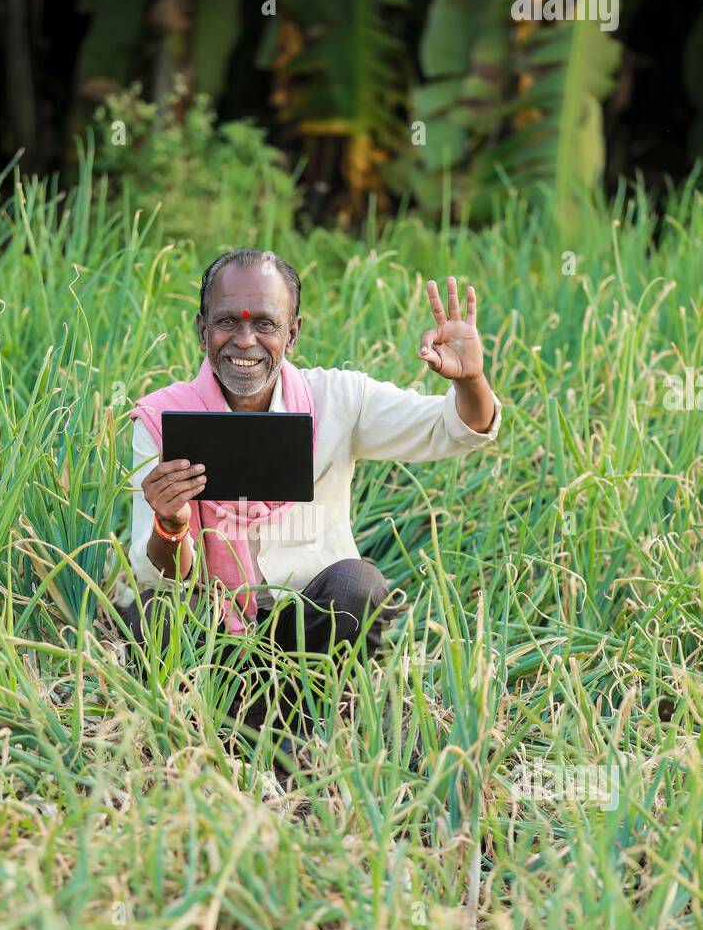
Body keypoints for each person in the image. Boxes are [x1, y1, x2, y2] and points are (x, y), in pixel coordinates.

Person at [122, 248, 501, 748]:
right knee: (152, 613)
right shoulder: (161, 419)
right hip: (206, 632)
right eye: (225, 323)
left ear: (293, 332)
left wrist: (470, 380)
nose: (244, 340)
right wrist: (170, 523)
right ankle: (219, 718)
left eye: (264, 323)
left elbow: (454, 429)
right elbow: (153, 575)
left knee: (357, 584)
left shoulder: (338, 400)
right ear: (201, 329)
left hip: (305, 639)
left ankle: (298, 720)